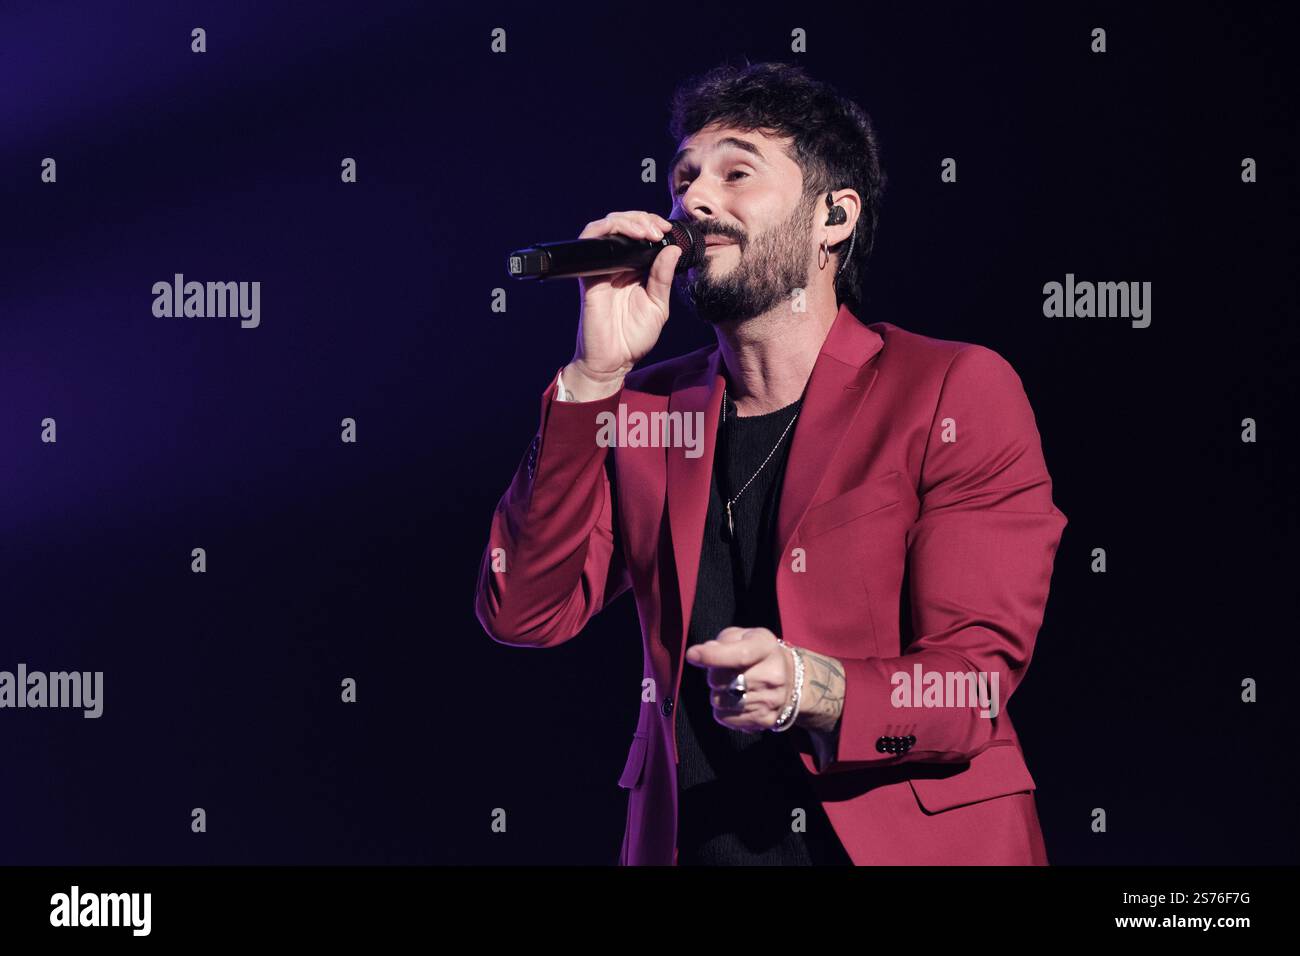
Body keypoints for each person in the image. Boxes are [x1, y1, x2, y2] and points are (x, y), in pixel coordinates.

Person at [475, 61, 1067, 865]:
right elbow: (526, 611)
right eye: (684, 178)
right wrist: (593, 378)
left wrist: (807, 686)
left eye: (736, 172)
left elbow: (968, 687)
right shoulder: (643, 411)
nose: (694, 201)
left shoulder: (949, 389)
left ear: (834, 217)